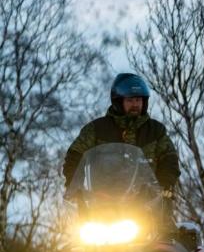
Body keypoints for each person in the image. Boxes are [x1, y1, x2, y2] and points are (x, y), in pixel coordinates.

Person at [63, 73, 181, 201]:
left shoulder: (156, 131)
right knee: (69, 221)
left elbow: (169, 159)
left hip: (147, 203)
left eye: (138, 100)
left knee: (165, 220)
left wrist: (165, 185)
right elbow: (75, 155)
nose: (135, 104)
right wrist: (75, 186)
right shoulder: (97, 129)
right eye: (130, 100)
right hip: (102, 203)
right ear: (119, 102)